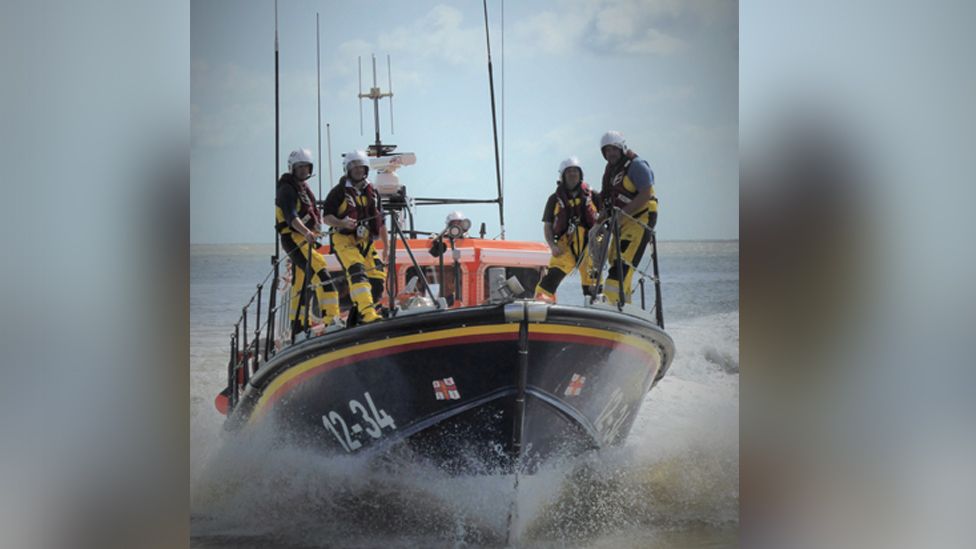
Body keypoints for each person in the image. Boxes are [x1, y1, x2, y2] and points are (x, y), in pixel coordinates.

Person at [274, 148, 341, 332]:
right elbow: (291, 217)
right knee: (320, 271)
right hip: (294, 239)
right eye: (300, 167)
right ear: (292, 168)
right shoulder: (287, 190)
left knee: (301, 282)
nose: (304, 170)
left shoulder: (303, 189)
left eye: (306, 167)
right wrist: (306, 232)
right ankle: (331, 317)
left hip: (304, 240)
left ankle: (298, 324)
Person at [321, 150, 388, 324]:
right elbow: (326, 217)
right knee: (357, 271)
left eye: (361, 167)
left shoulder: (373, 193)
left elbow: (381, 222)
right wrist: (342, 223)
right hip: (344, 240)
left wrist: (387, 248)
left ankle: (357, 318)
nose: (358, 170)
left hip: (365, 242)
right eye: (354, 167)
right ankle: (367, 314)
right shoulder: (338, 192)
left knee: (378, 277)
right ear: (347, 169)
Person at [596, 130, 658, 305]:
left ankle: (613, 307)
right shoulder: (610, 171)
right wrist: (599, 223)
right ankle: (624, 305)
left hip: (640, 220)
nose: (610, 154)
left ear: (622, 147)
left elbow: (646, 193)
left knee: (620, 270)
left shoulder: (637, 166)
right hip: (621, 223)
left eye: (613, 149)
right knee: (614, 261)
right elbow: (606, 198)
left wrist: (622, 215)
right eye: (606, 151)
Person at [534, 156, 600, 302]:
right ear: (563, 175)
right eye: (569, 171)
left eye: (576, 171)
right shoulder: (554, 199)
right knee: (550, 280)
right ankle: (539, 305)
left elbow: (606, 218)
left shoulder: (593, 195)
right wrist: (553, 246)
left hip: (590, 245)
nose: (573, 174)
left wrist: (600, 242)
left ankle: (596, 311)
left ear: (580, 174)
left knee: (594, 285)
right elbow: (548, 225)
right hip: (565, 247)